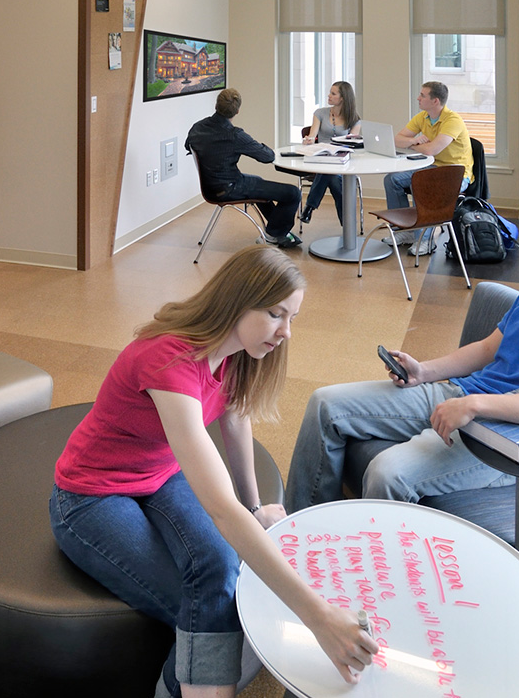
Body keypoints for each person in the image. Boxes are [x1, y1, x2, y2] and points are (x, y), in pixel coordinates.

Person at [50, 245, 376, 698]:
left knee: (220, 571)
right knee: (207, 602)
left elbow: (235, 418)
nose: (285, 332)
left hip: (160, 473)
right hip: (90, 495)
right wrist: (318, 615)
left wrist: (256, 505)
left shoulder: (237, 350)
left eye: (292, 318)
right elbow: (221, 511)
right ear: (235, 301)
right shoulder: (168, 360)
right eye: (275, 314)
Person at [284, 214, 519, 511]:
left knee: (388, 472)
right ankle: (303, 526)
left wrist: (474, 405)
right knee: (326, 403)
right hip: (460, 395)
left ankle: (377, 574)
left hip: (503, 437)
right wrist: (425, 372)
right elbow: (486, 350)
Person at [187, 89, 303, 249]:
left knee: (258, 182)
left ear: (216, 105)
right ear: (237, 111)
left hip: (210, 188)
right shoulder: (234, 134)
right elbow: (267, 157)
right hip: (230, 188)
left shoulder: (197, 127)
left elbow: (188, 145)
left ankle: (277, 232)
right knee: (293, 193)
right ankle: (272, 235)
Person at [384, 81, 474, 256]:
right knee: (392, 179)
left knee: (421, 183)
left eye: (423, 95)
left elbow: (432, 150)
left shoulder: (452, 120)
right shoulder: (423, 117)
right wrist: (413, 141)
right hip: (431, 167)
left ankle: (425, 240)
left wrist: (412, 145)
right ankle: (404, 231)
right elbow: (396, 139)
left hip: (455, 174)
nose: (418, 98)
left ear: (435, 101)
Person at [299, 81, 361, 226]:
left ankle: (309, 207)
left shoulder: (354, 119)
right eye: (330, 92)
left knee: (331, 175)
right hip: (320, 157)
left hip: (342, 161)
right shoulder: (320, 113)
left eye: (333, 93)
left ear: (343, 98)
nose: (329, 95)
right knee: (330, 173)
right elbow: (313, 135)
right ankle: (347, 224)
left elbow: (353, 144)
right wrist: (308, 140)